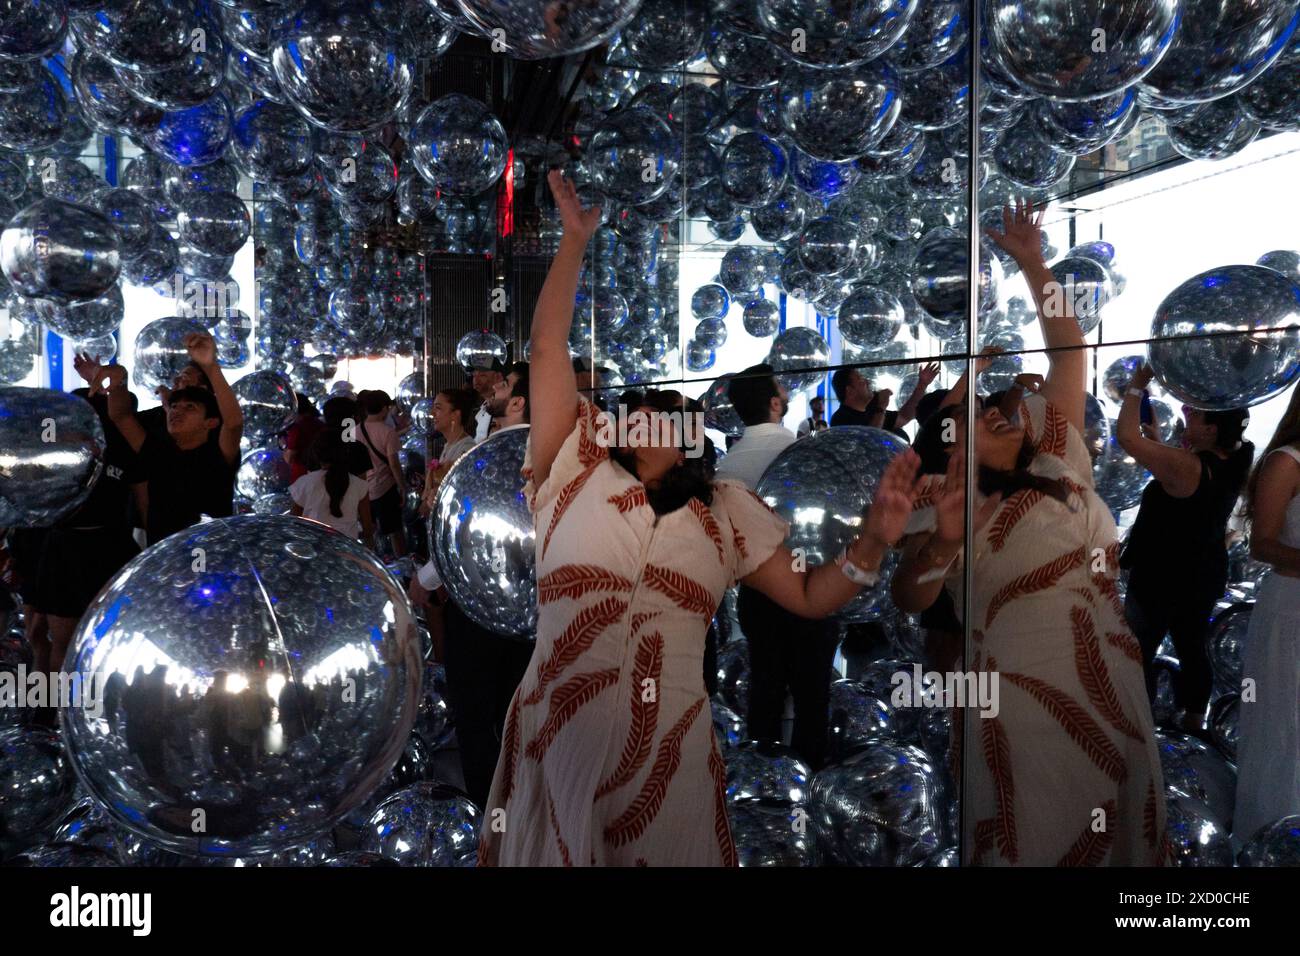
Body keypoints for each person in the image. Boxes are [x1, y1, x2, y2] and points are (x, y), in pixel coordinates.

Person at [476, 171, 922, 867]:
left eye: (658, 409)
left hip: (670, 749)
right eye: (632, 410)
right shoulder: (575, 468)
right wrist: (572, 245)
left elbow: (810, 597)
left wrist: (874, 540)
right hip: (563, 731)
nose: (639, 416)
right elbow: (546, 352)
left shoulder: (727, 516)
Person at [891, 200, 1164, 866]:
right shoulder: (948, 500)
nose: (1000, 416)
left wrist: (1032, 261)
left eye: (999, 411)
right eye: (983, 419)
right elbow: (910, 598)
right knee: (1040, 829)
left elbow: (1068, 349)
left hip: (1109, 672)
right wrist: (946, 544)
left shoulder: (1060, 454)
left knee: (1121, 831)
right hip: (1021, 687)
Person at [415, 362, 536, 808]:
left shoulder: (503, 453)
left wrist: (427, 577)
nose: (490, 386)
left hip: (484, 604)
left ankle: (492, 811)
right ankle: (517, 806)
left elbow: (476, 533)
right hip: (530, 612)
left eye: (502, 384)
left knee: (477, 712)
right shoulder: (542, 450)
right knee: (514, 709)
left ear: (518, 400)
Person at [1116, 365, 1253, 732]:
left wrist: (1135, 387)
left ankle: (1136, 726)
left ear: (1211, 429)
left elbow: (1126, 438)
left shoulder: (1188, 466)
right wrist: (1160, 440)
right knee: (1192, 648)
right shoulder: (1232, 461)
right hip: (1203, 571)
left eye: (1196, 414)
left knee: (1137, 651)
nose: (1186, 416)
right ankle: (1194, 720)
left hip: (1162, 574)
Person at [719, 364, 841, 769]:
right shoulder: (803, 452)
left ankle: (764, 781)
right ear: (775, 403)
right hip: (809, 582)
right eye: (782, 390)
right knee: (813, 696)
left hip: (756, 595)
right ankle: (810, 784)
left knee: (765, 692)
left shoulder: (728, 465)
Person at [30, 361, 143, 679]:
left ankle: (101, 713)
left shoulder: (121, 450)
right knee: (60, 641)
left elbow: (142, 498)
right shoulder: (54, 458)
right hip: (64, 550)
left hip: (111, 547)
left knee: (111, 640)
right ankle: (55, 716)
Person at [100, 331, 244, 545]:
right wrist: (120, 380)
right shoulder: (159, 451)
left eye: (190, 407)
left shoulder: (217, 452)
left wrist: (211, 367)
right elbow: (121, 416)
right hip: (165, 561)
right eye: (174, 406)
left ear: (210, 422)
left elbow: (233, 424)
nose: (177, 411)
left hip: (210, 556)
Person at [1234, 384, 1300, 840]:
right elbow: (1262, 545)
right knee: (1286, 726)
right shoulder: (1287, 461)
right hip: (1291, 605)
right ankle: (1275, 836)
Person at [290, 433, 375, 547]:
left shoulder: (304, 483)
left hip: (315, 549)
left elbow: (293, 523)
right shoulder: (359, 485)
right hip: (347, 551)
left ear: (317, 455)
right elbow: (368, 530)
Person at [829, 362, 940, 441]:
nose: (867, 381)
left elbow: (904, 417)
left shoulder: (872, 409)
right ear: (850, 391)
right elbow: (868, 443)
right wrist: (881, 406)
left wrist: (922, 385)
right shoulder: (840, 420)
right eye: (860, 380)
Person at [356, 390, 408, 557]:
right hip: (385, 489)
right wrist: (403, 488)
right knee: (394, 532)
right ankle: (402, 565)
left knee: (367, 531)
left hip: (362, 490)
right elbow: (393, 464)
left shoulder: (354, 431)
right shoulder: (387, 432)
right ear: (384, 408)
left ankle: (371, 563)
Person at [419, 387, 480, 517]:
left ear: (455, 414)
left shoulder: (466, 449)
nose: (432, 413)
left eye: (438, 408)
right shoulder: (449, 445)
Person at [284, 393, 324, 483]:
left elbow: (289, 459)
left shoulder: (297, 429)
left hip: (301, 478)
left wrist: (284, 449)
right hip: (319, 475)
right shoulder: (320, 424)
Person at [468, 358, 505, 442]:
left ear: (498, 377)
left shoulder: (503, 406)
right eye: (474, 375)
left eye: (482, 375)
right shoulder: (483, 406)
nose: (476, 380)